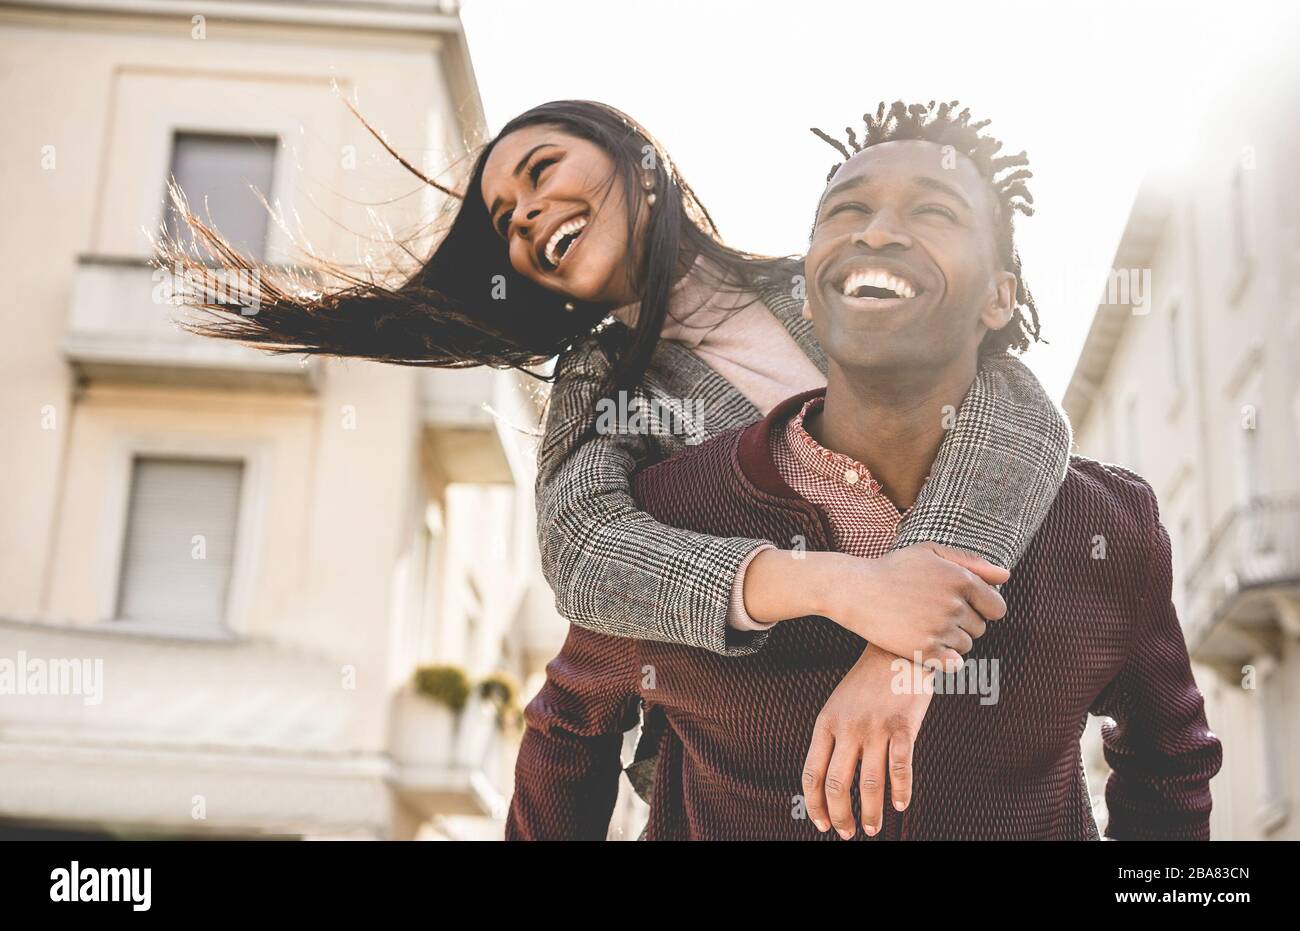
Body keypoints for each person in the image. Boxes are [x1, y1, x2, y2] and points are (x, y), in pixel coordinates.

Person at [159, 99, 1070, 814]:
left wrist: (904, 648)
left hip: (974, 756)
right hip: (738, 786)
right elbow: (585, 552)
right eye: (506, 220)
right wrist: (833, 583)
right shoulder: (603, 377)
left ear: (637, 160)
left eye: (541, 171)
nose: (525, 219)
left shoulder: (817, 280)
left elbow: (1014, 404)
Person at [506, 101, 1222, 841]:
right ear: (810, 293)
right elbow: (572, 675)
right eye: (847, 212)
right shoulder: (669, 506)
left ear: (1000, 296)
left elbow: (1170, 770)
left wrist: (906, 647)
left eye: (935, 212)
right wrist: (837, 588)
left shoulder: (1105, 527)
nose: (877, 232)